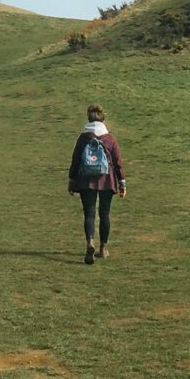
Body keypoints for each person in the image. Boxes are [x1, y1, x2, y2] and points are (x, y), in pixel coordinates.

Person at [67, 103, 126, 264]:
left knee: (90, 214)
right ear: (103, 120)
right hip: (107, 179)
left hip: (86, 180)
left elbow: (76, 160)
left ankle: (90, 242)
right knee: (105, 214)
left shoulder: (83, 137)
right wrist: (122, 182)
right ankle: (103, 248)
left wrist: (71, 181)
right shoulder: (110, 138)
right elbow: (117, 162)